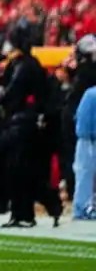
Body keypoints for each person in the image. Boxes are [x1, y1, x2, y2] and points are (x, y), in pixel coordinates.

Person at [0, 28, 63, 227]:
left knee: (21, 171)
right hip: (28, 123)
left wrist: (1, 93)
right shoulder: (30, 64)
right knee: (21, 171)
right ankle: (26, 211)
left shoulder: (24, 66)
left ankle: (27, 212)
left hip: (23, 124)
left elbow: (10, 92)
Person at [63, 36, 96, 204]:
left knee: (82, 166)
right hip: (84, 124)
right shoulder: (85, 73)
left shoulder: (84, 73)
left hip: (83, 125)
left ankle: (80, 199)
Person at [74, 82, 96, 221]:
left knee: (84, 174)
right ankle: (83, 207)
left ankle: (83, 207)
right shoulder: (91, 95)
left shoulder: (90, 94)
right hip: (89, 140)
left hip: (87, 139)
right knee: (85, 173)